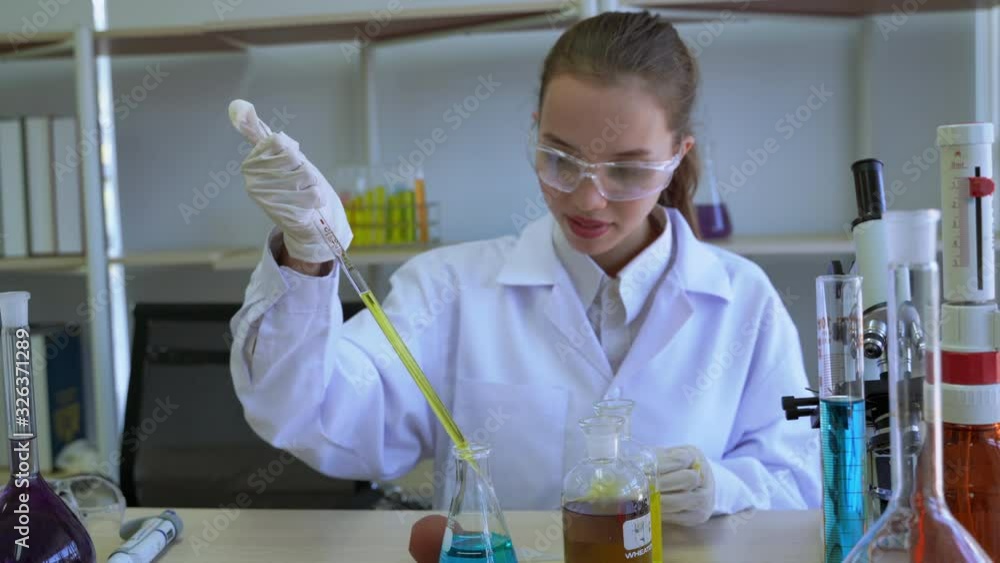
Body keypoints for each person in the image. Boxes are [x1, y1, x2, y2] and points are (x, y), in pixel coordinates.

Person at [228, 10, 821, 526]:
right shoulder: (449, 289)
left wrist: (724, 489)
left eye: (628, 169)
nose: (589, 200)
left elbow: (801, 481)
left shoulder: (743, 301)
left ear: (677, 159)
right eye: (561, 160)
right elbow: (310, 413)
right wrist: (306, 254)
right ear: (535, 131)